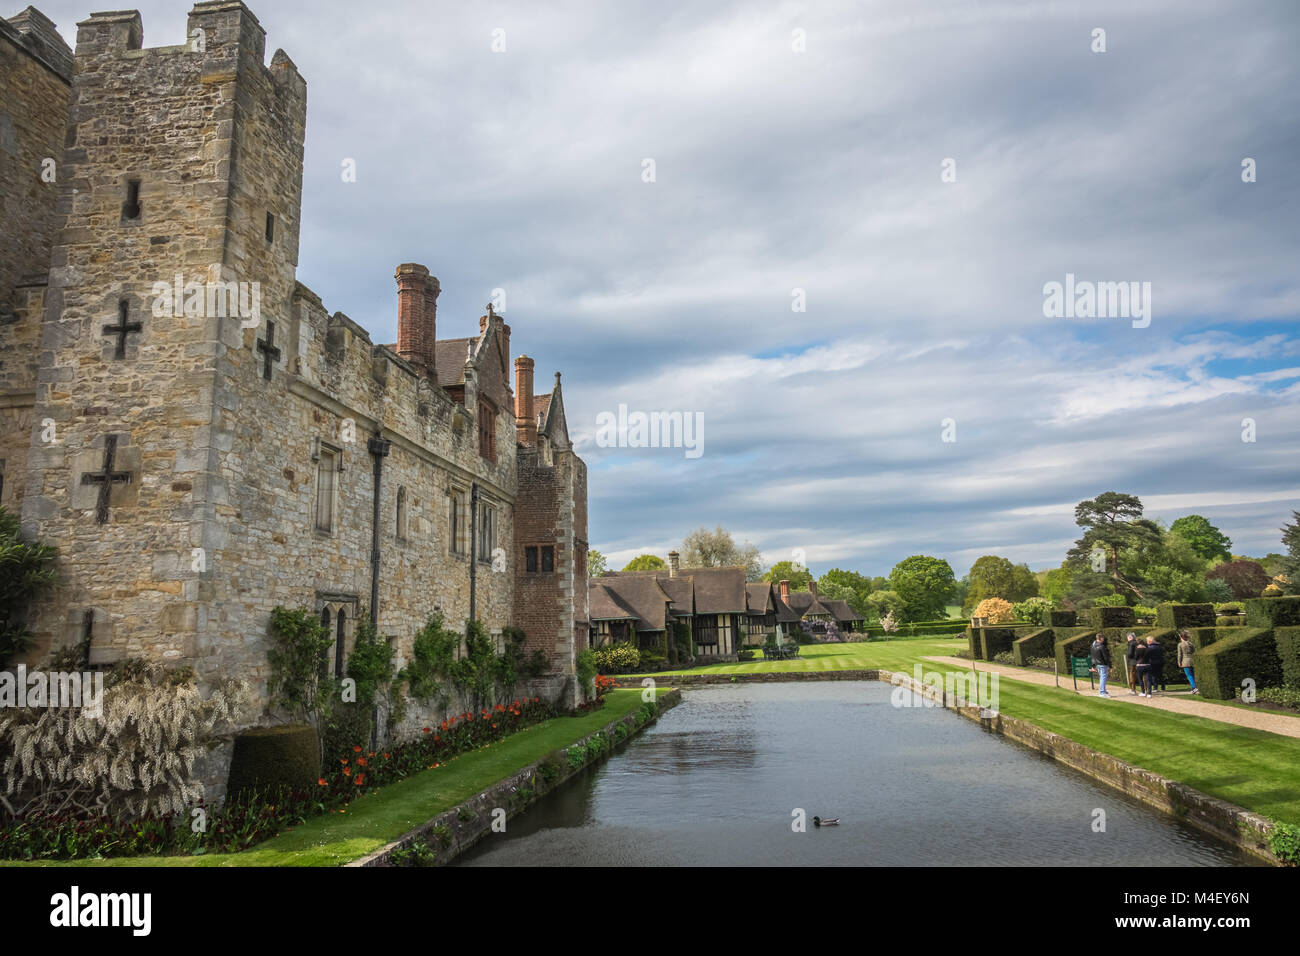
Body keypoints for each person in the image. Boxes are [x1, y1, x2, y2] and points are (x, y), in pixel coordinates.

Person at [1178, 630, 1198, 694]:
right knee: (1192, 675)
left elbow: (1180, 654)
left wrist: (1179, 662)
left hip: (1185, 661)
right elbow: (1194, 651)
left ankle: (1194, 687)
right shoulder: (1190, 643)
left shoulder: (1180, 644)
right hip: (1192, 660)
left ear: (1181, 637)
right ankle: (1193, 687)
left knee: (1189, 675)